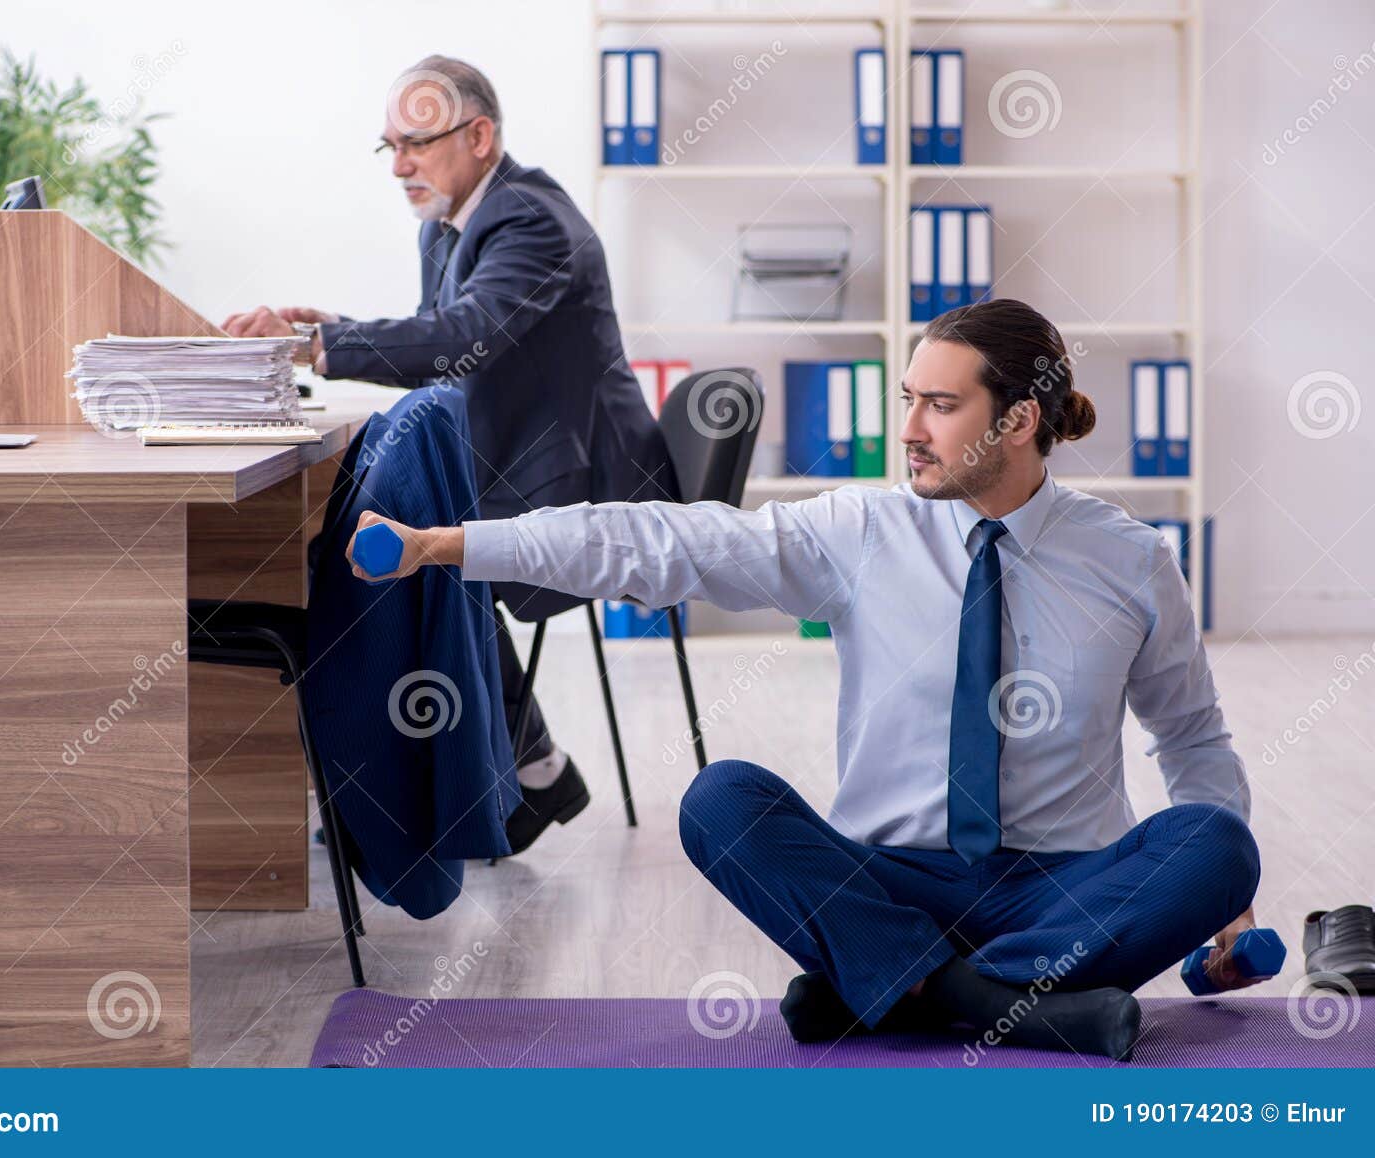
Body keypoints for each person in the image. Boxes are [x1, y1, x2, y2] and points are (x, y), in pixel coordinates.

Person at [339, 299, 1263, 1061]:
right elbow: (659, 540)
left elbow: (1190, 735)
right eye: (908, 399)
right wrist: (446, 544)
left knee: (1217, 848)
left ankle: (894, 986)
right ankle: (1000, 1003)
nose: (908, 430)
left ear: (1019, 421)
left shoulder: (1133, 561)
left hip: (1062, 892)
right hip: (892, 880)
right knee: (721, 800)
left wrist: (1231, 912)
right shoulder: (860, 533)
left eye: (941, 406)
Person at [223, 56, 676, 855]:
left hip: (579, 478)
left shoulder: (531, 221)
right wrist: (330, 331)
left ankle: (465, 787)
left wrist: (316, 343)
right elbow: (446, 344)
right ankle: (526, 772)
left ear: (479, 136)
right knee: (373, 534)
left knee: (393, 550)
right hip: (513, 461)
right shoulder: (447, 225)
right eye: (390, 146)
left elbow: (464, 335)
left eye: (417, 144)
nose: (399, 165)